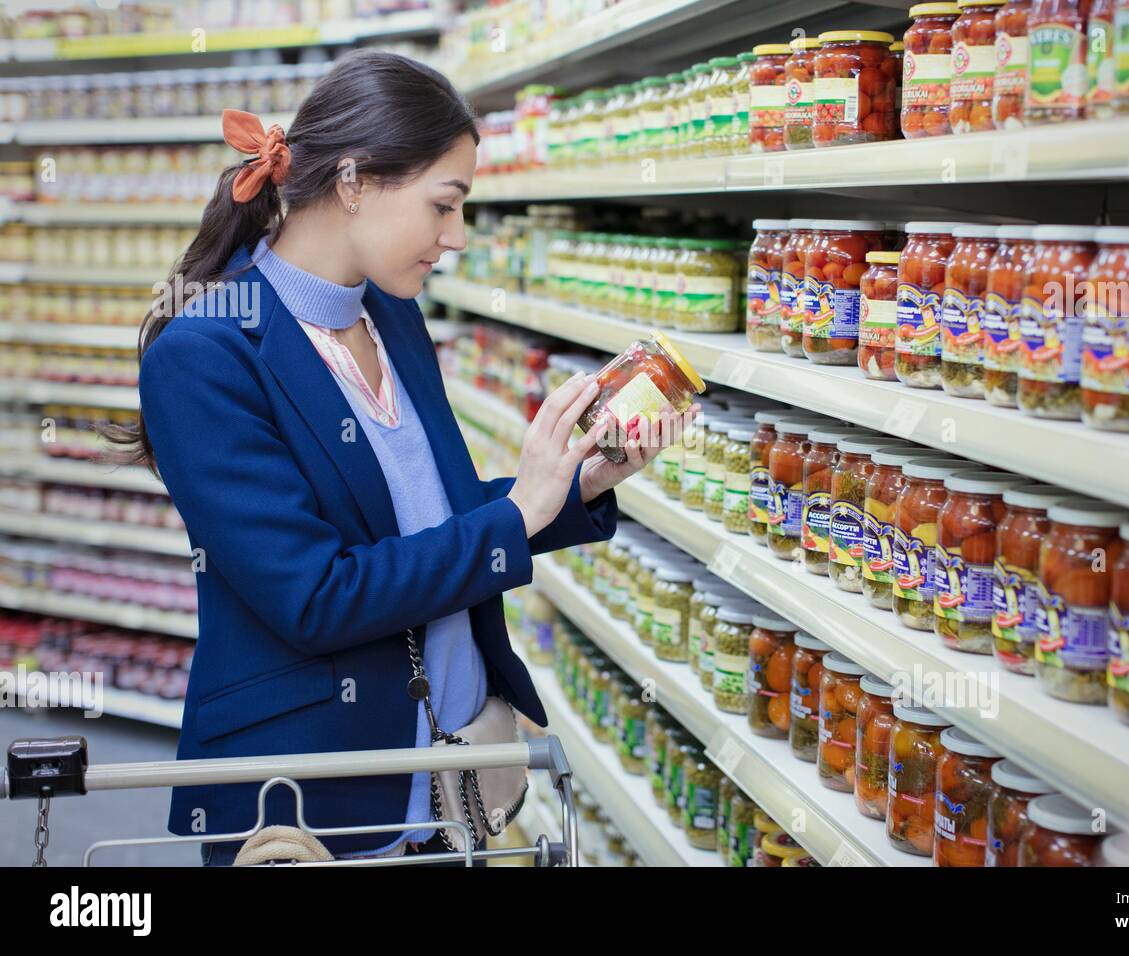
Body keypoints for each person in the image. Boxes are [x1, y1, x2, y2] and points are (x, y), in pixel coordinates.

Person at [111, 49, 694, 866]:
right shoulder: (204, 355)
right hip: (312, 801)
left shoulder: (391, 314)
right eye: (444, 206)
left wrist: (574, 483)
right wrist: (517, 512)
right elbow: (317, 595)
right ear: (353, 182)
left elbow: (427, 517)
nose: (455, 238)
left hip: (448, 778)